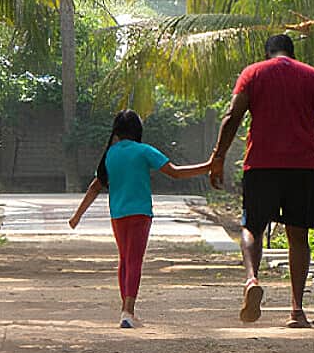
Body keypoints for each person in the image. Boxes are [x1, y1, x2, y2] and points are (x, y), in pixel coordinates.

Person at [208, 33, 314, 328]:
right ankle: (296, 310)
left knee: (252, 227)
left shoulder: (253, 74)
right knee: (299, 236)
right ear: (292, 53)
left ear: (267, 53)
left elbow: (232, 116)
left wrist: (218, 157)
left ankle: (252, 278)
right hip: (303, 168)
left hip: (261, 166)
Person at [68, 109, 213, 328]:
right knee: (135, 260)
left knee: (125, 260)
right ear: (138, 130)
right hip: (140, 214)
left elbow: (95, 186)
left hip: (118, 215)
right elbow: (174, 172)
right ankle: (128, 312)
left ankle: (125, 310)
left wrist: (77, 216)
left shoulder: (110, 153)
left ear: (116, 131)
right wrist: (208, 166)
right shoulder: (144, 151)